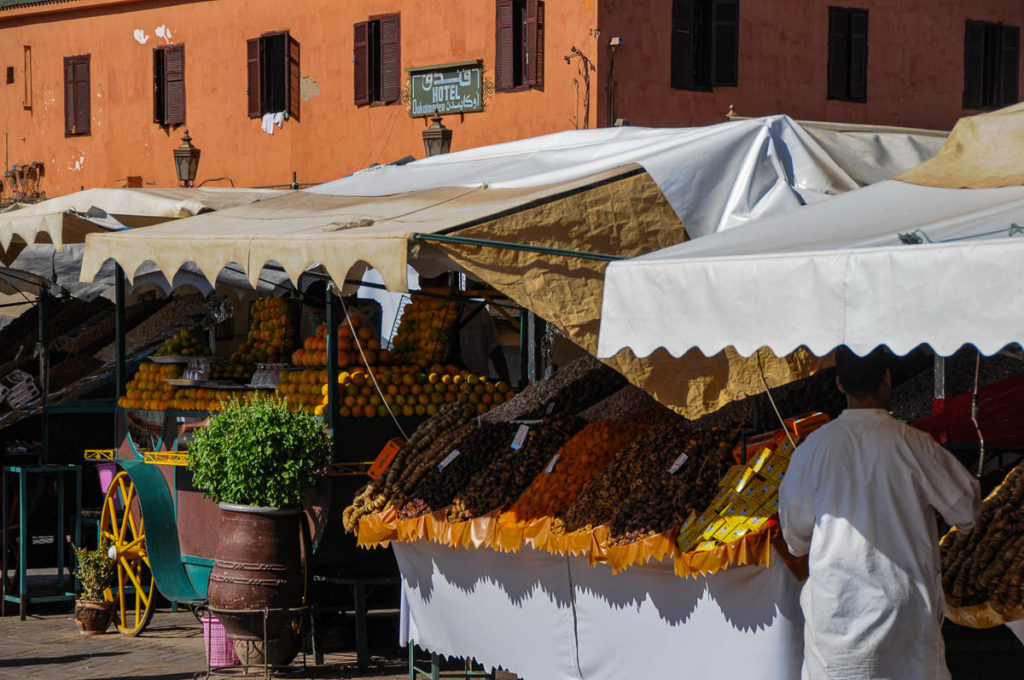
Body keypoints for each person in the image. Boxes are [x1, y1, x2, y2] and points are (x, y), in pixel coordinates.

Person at [778, 346, 980, 680]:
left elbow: (795, 539)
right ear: (887, 377)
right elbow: (967, 509)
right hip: (906, 626)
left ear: (840, 383)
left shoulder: (812, 450)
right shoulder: (914, 444)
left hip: (836, 628)